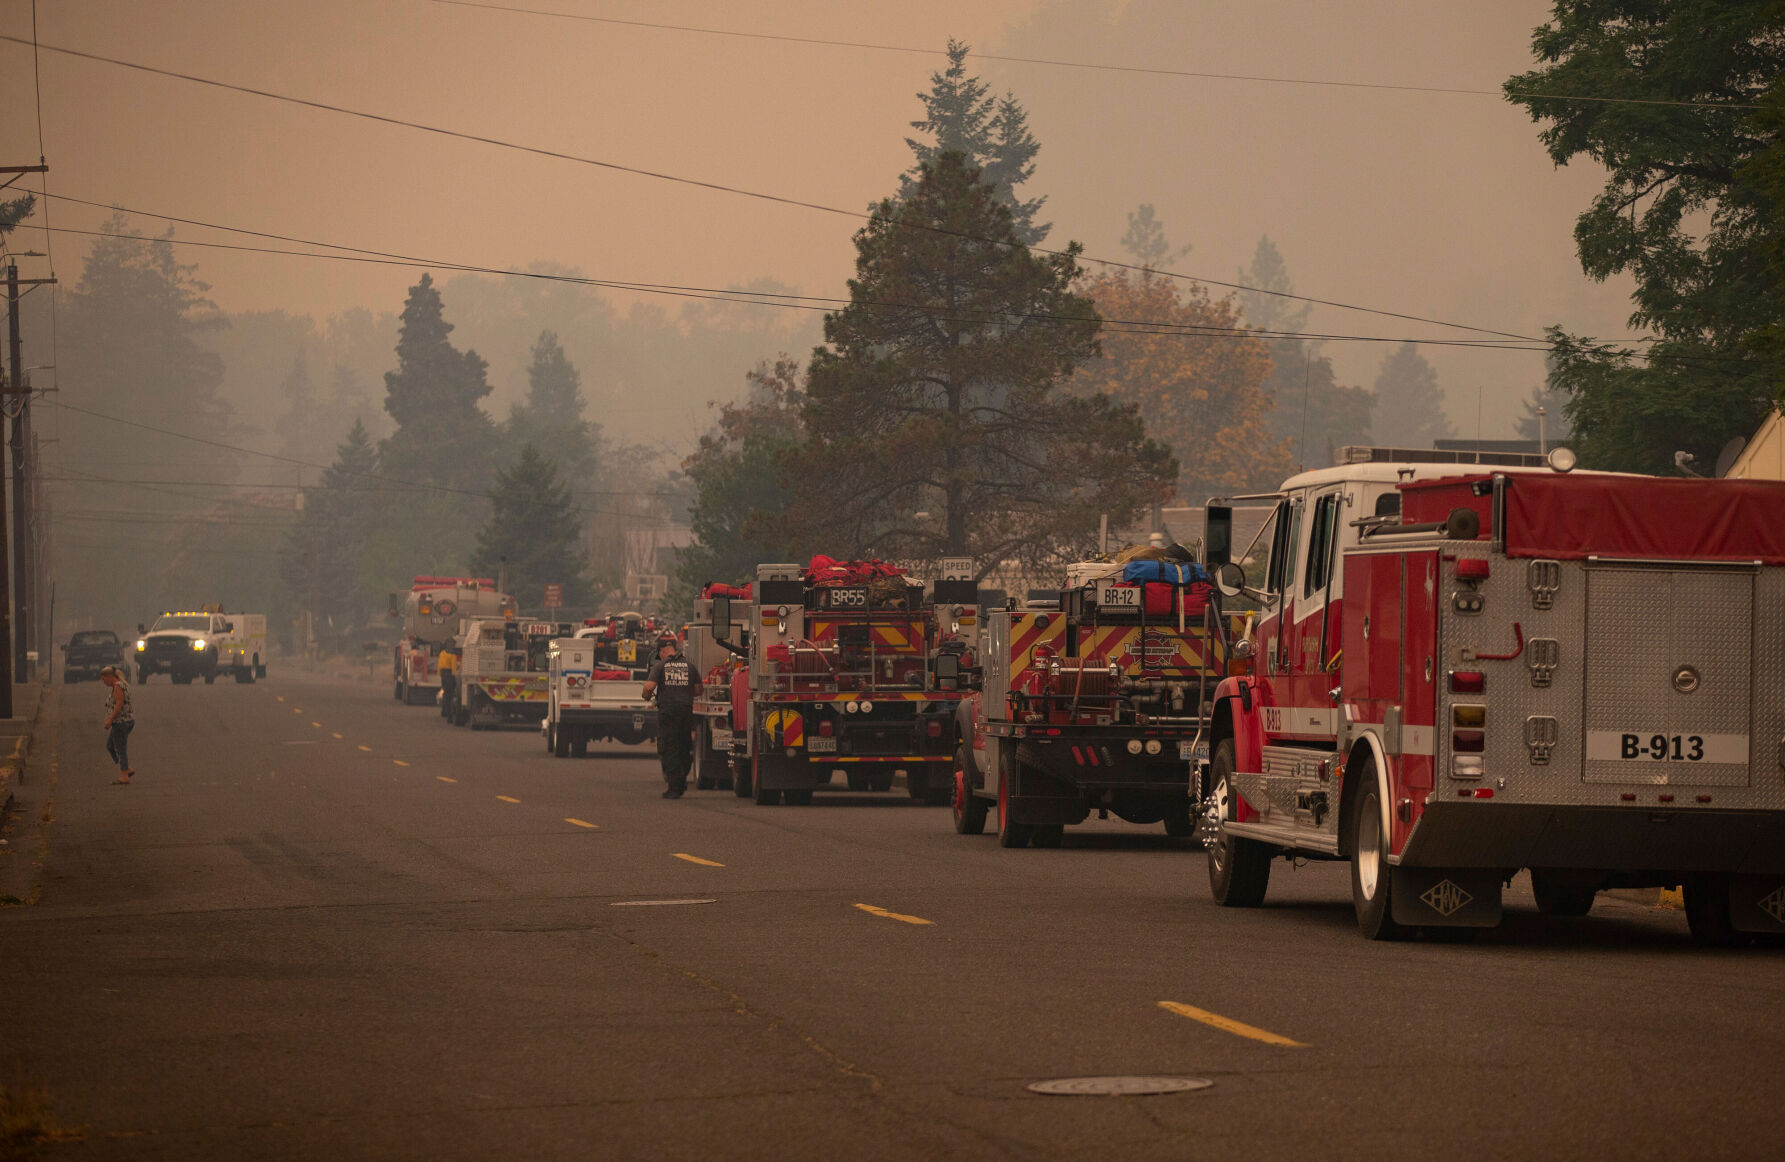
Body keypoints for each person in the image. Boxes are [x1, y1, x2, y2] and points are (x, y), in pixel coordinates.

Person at [641, 633, 701, 799]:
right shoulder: (690, 666)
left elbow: (648, 688)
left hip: (668, 712)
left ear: (661, 652)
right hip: (686, 711)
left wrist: (646, 697)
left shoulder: (660, 666)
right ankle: (682, 776)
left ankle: (675, 787)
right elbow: (698, 690)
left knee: (669, 748)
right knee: (684, 745)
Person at [100, 665, 136, 784]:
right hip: (122, 722)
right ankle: (127, 768)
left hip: (121, 722)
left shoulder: (117, 687)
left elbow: (119, 705)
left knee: (121, 748)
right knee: (110, 745)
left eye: (104, 679)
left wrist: (109, 720)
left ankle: (124, 775)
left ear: (110, 677)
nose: (103, 682)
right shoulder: (120, 684)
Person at [438, 638, 460, 720]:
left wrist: (440, 674)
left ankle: (444, 711)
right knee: (451, 695)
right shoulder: (453, 656)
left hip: (443, 675)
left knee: (445, 693)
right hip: (450, 675)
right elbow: (454, 668)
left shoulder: (442, 654)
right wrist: (455, 678)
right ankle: (449, 714)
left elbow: (439, 666)